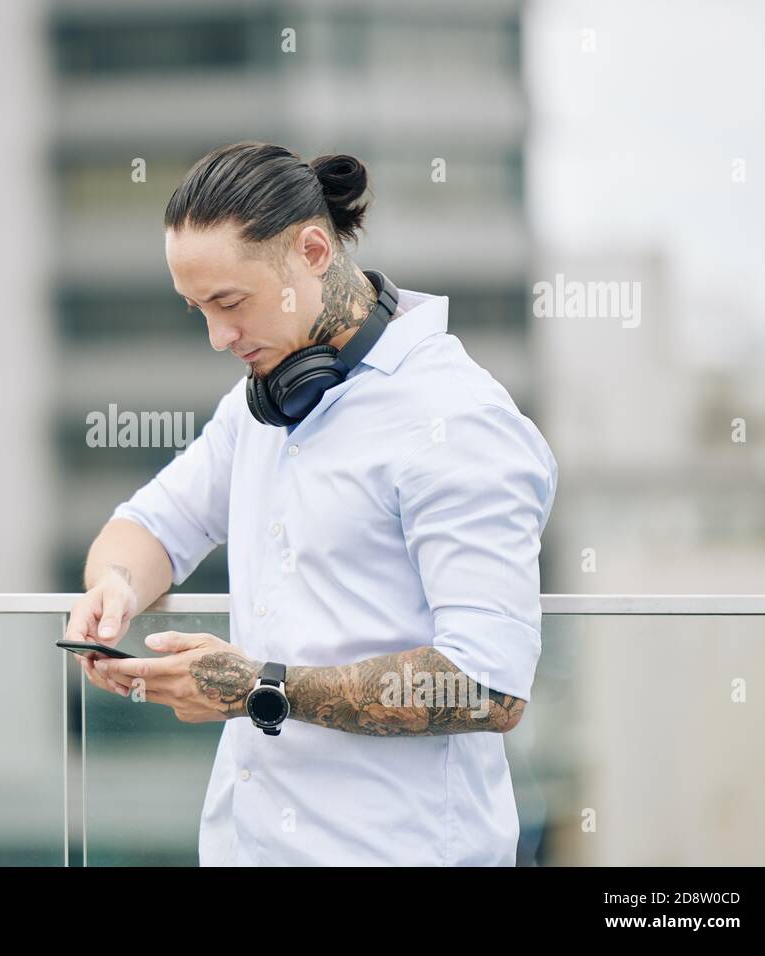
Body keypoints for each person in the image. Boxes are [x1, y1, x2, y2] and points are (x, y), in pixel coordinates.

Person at [66, 141, 559, 866]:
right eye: (198, 309)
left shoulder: (459, 418)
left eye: (231, 303)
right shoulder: (258, 401)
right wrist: (114, 587)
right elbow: (150, 524)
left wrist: (258, 690)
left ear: (313, 250)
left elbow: (489, 685)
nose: (217, 338)